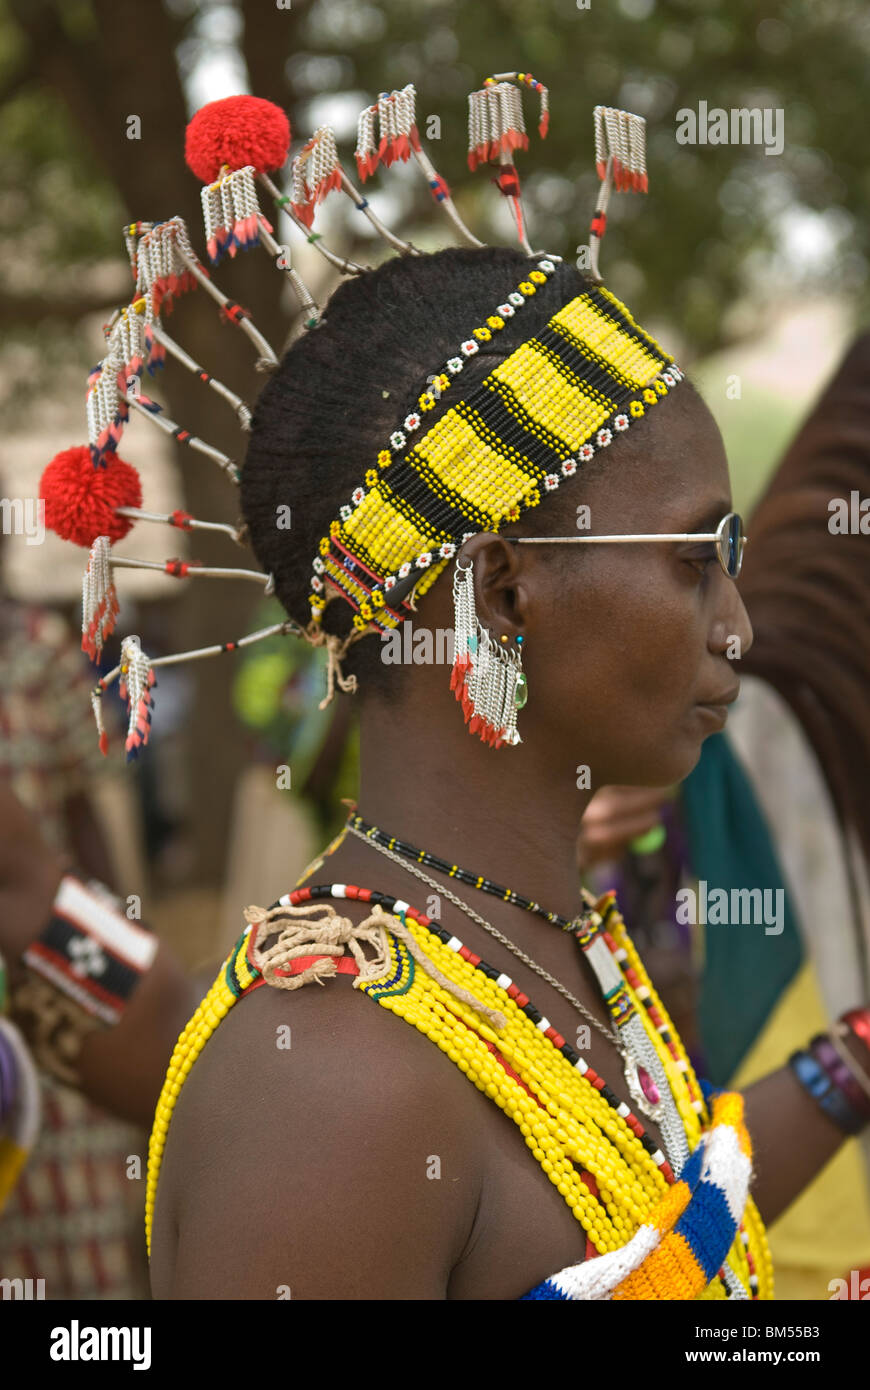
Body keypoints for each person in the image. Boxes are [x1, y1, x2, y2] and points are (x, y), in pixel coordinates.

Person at [143, 244, 870, 1300]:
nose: (738, 627)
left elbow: (671, 1246)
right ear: (500, 592)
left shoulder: (553, 943)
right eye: (694, 556)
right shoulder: (332, 1082)